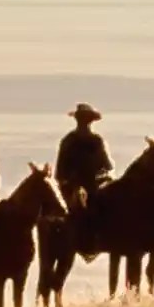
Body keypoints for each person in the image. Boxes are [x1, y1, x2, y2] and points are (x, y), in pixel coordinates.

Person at [55, 103, 115, 253]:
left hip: (91, 184)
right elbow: (60, 171)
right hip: (75, 186)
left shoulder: (94, 141)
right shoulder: (72, 141)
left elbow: (107, 165)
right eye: (83, 119)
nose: (84, 122)